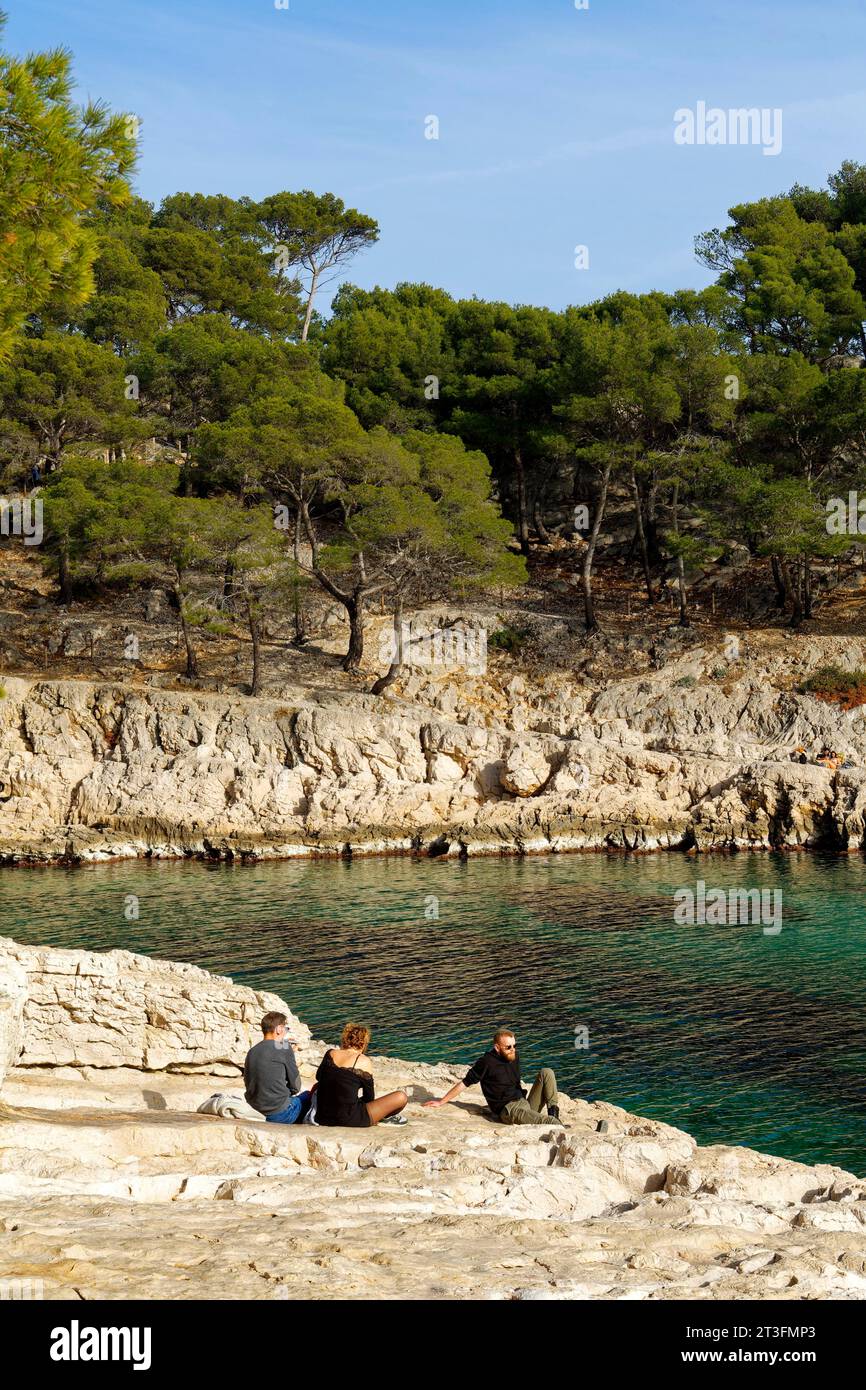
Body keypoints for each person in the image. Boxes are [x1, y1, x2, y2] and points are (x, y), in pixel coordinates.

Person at [423, 1027, 564, 1126]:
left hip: (524, 1104)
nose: (513, 1050)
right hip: (508, 1110)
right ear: (497, 1047)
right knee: (548, 1123)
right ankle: (557, 1126)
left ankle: (554, 1114)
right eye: (508, 1047)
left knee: (547, 1072)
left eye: (514, 1045)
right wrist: (442, 1102)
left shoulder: (514, 1055)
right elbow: (465, 1083)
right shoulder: (486, 1062)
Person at [315, 1023, 408, 1127]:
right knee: (401, 1097)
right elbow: (369, 1098)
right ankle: (381, 1118)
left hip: (322, 1117)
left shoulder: (330, 1053)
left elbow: (318, 1077)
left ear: (345, 1039)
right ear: (363, 1043)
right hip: (349, 1119)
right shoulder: (363, 1061)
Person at [243, 1010, 311, 1124]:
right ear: (279, 1029)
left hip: (254, 1109)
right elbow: (296, 1086)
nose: (285, 1032)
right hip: (279, 1114)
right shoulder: (283, 1046)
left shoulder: (252, 1050)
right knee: (309, 1095)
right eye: (286, 1028)